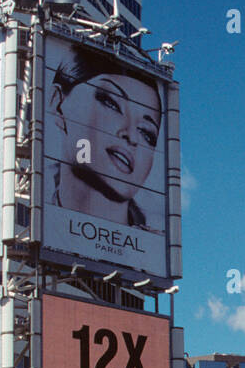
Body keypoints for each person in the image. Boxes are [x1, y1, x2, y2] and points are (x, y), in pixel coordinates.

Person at [49, 42, 165, 230]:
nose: (131, 136)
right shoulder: (33, 213)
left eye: (146, 132)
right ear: (58, 103)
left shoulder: (157, 248)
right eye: (111, 103)